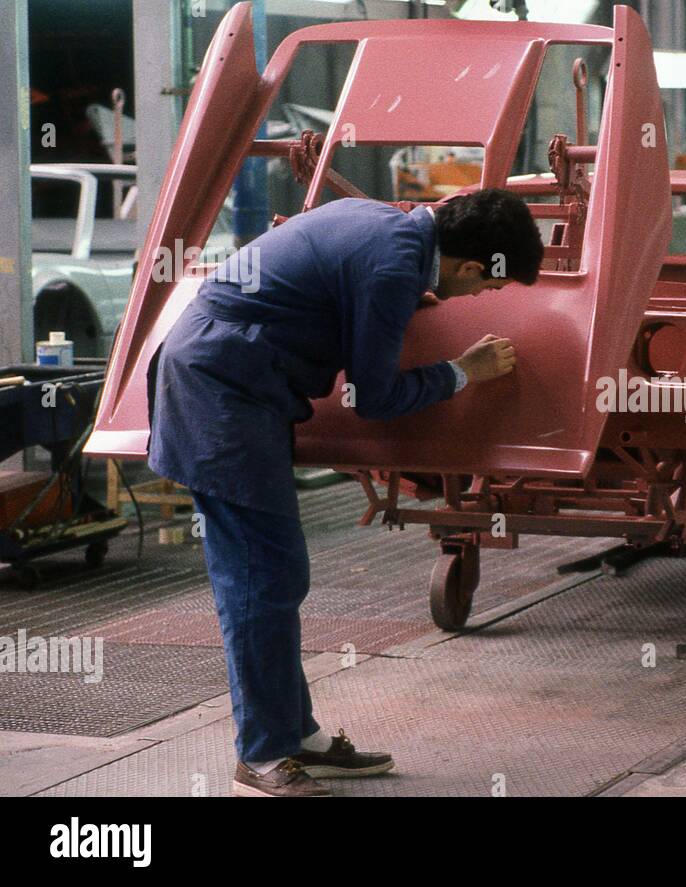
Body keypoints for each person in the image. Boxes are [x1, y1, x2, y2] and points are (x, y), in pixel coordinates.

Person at [147, 189, 544, 796]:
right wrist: (465, 370)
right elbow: (376, 399)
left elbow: (347, 284)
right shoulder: (391, 266)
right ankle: (260, 760)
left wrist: (405, 300)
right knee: (260, 580)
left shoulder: (385, 227)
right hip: (220, 396)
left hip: (230, 380)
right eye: (487, 287)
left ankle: (295, 736)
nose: (478, 297)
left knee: (276, 576)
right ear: (469, 266)